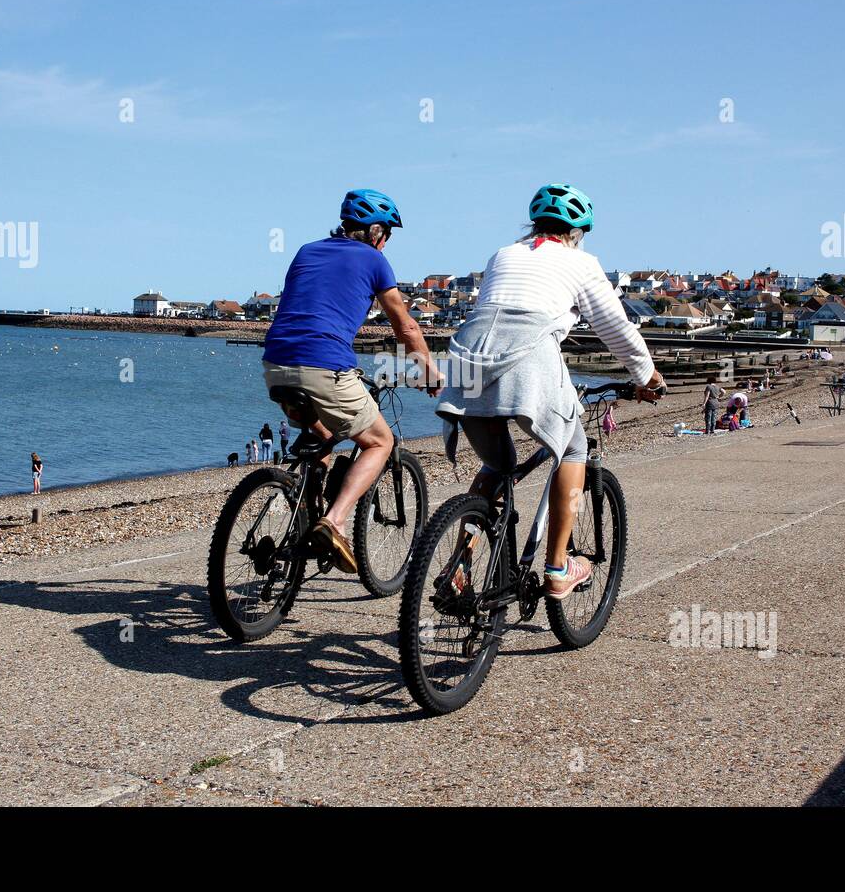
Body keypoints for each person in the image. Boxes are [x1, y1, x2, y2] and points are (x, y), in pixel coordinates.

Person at [437, 183, 666, 600]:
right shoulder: (580, 262)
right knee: (573, 449)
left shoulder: (503, 254)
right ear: (577, 233)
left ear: (534, 224)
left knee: (497, 465)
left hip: (469, 356)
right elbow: (615, 327)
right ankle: (558, 567)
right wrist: (647, 376)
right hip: (528, 355)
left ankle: (460, 564)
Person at [262, 188, 440, 573]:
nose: (387, 242)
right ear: (377, 232)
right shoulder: (375, 261)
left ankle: (305, 518)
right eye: (388, 234)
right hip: (325, 367)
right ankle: (335, 520)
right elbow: (406, 327)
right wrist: (428, 369)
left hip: (276, 363)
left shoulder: (307, 251)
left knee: (323, 435)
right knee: (379, 440)